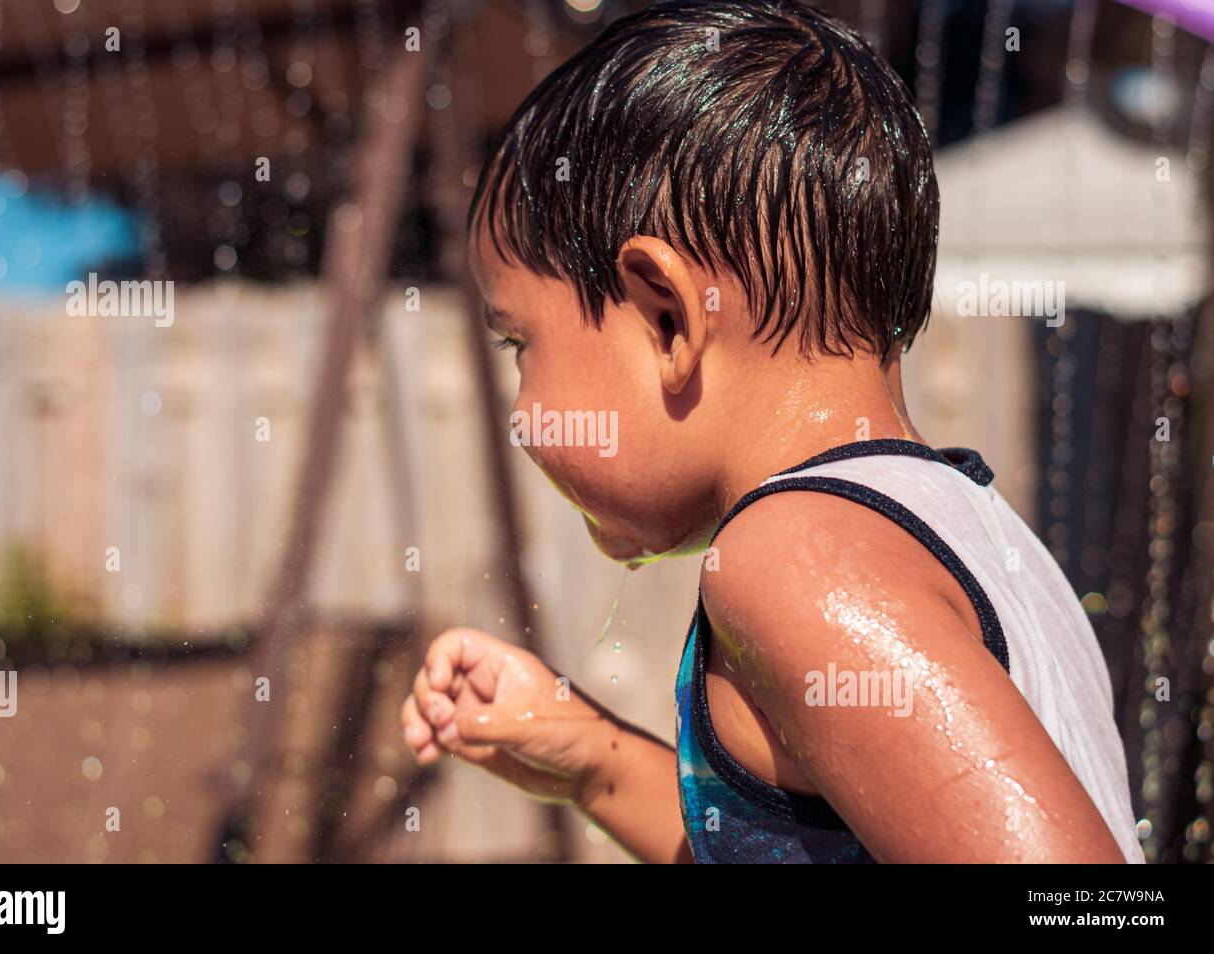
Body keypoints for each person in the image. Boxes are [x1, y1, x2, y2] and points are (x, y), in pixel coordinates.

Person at [400, 0, 1143, 863]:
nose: (524, 411)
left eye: (520, 343)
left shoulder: (790, 561)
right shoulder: (969, 530)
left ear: (668, 318)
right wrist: (593, 765)